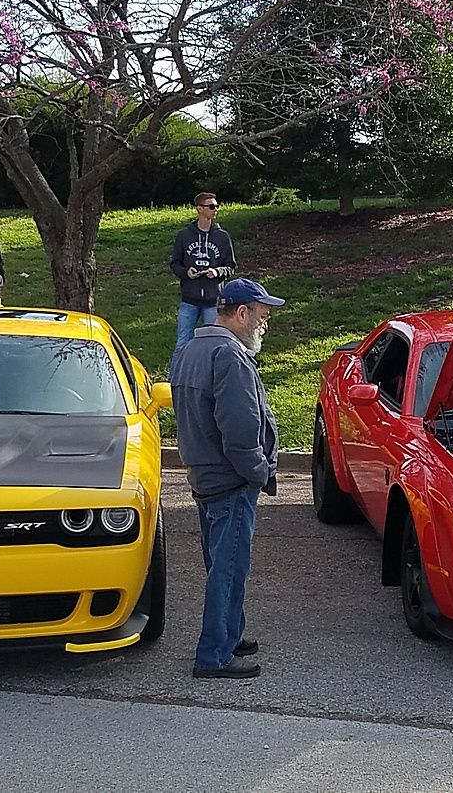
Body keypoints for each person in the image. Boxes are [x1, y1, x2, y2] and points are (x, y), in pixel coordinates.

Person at [171, 278, 282, 679]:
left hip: (205, 476)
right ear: (241, 313)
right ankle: (214, 655)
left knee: (222, 564)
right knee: (229, 569)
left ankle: (230, 637)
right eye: (262, 316)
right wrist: (260, 472)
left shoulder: (191, 349)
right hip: (230, 481)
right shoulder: (230, 356)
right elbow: (240, 430)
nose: (264, 325)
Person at [169, 192, 236, 380]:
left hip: (213, 301)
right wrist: (186, 272)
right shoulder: (184, 235)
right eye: (211, 206)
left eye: (216, 206)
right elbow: (175, 263)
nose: (216, 210)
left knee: (214, 344)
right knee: (183, 342)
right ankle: (174, 380)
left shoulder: (222, 237)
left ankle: (210, 380)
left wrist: (217, 272)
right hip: (189, 300)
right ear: (199, 209)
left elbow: (231, 266)